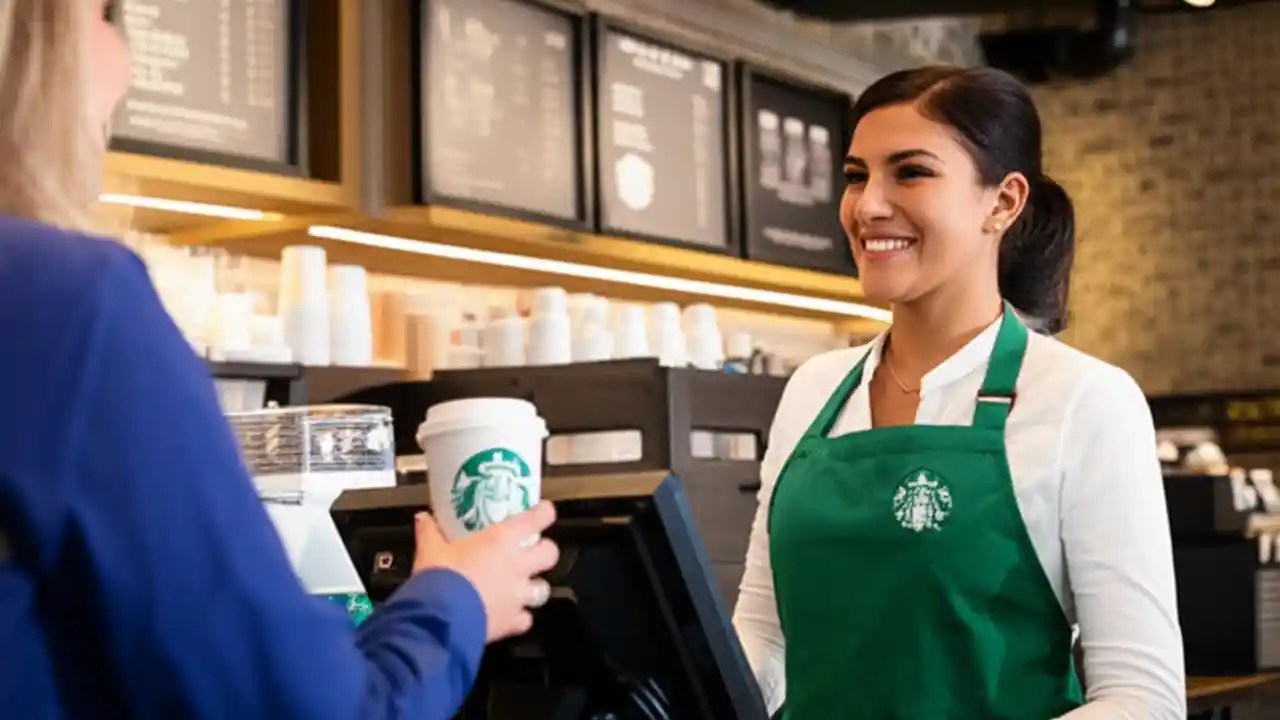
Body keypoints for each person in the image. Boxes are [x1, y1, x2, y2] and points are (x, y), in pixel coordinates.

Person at [0, 2, 558, 718]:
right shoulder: (72, 305)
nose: (126, 63)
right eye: (106, 14)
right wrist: (458, 598)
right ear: (33, 43)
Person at [732, 66, 1185, 718]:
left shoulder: (1086, 400)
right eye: (857, 176)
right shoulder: (813, 389)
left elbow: (1144, 698)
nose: (867, 206)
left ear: (1002, 202)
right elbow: (766, 632)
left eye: (909, 172)